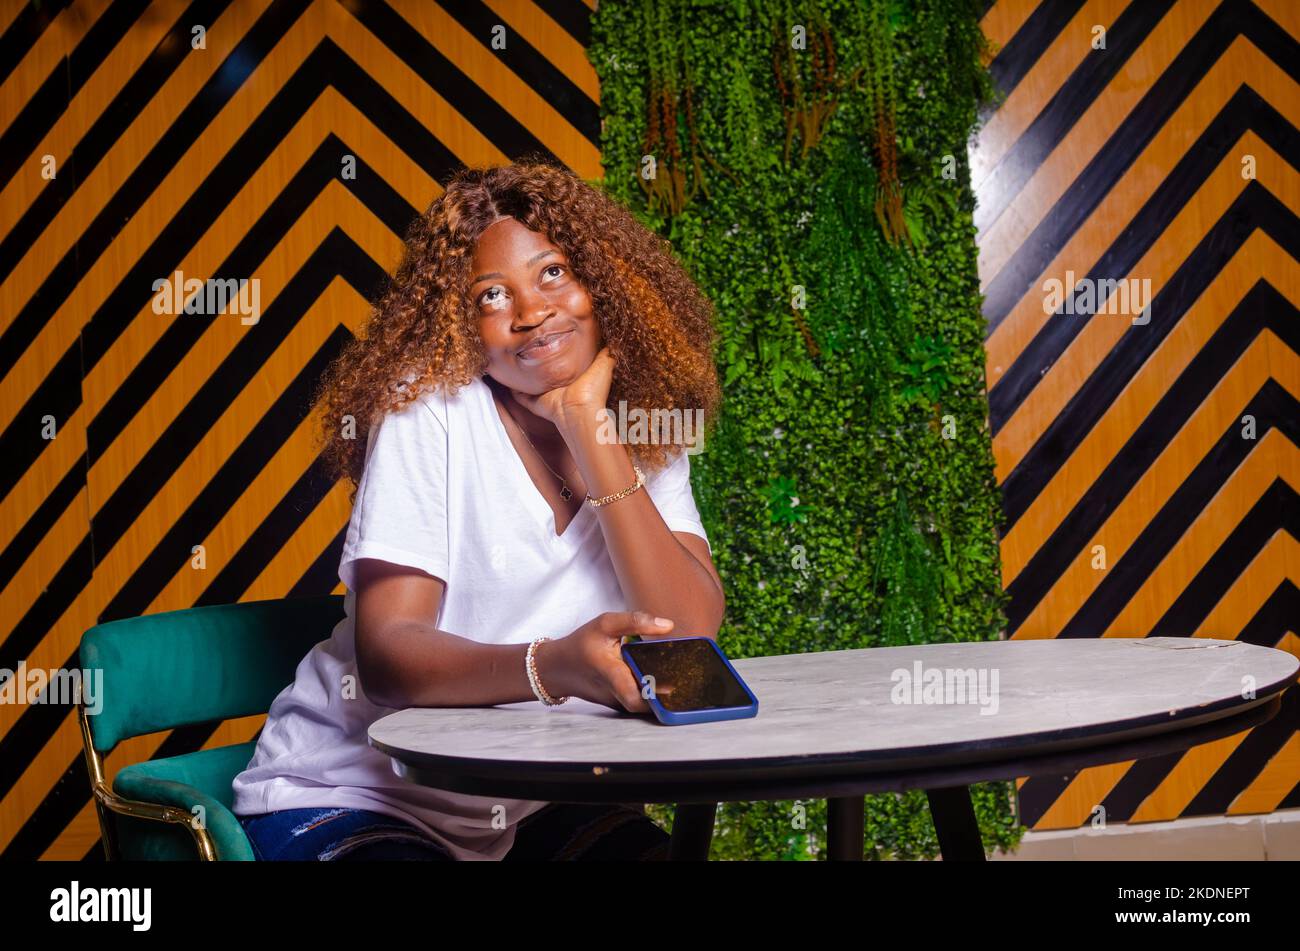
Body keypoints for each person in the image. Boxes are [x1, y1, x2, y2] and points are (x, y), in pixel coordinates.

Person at [231, 159, 726, 860]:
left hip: (529, 802)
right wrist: (554, 665)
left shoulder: (638, 422)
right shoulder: (426, 410)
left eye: (553, 272)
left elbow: (689, 632)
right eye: (493, 295)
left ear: (601, 279)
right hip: (359, 793)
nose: (531, 312)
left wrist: (591, 431)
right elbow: (388, 656)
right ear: (462, 322)